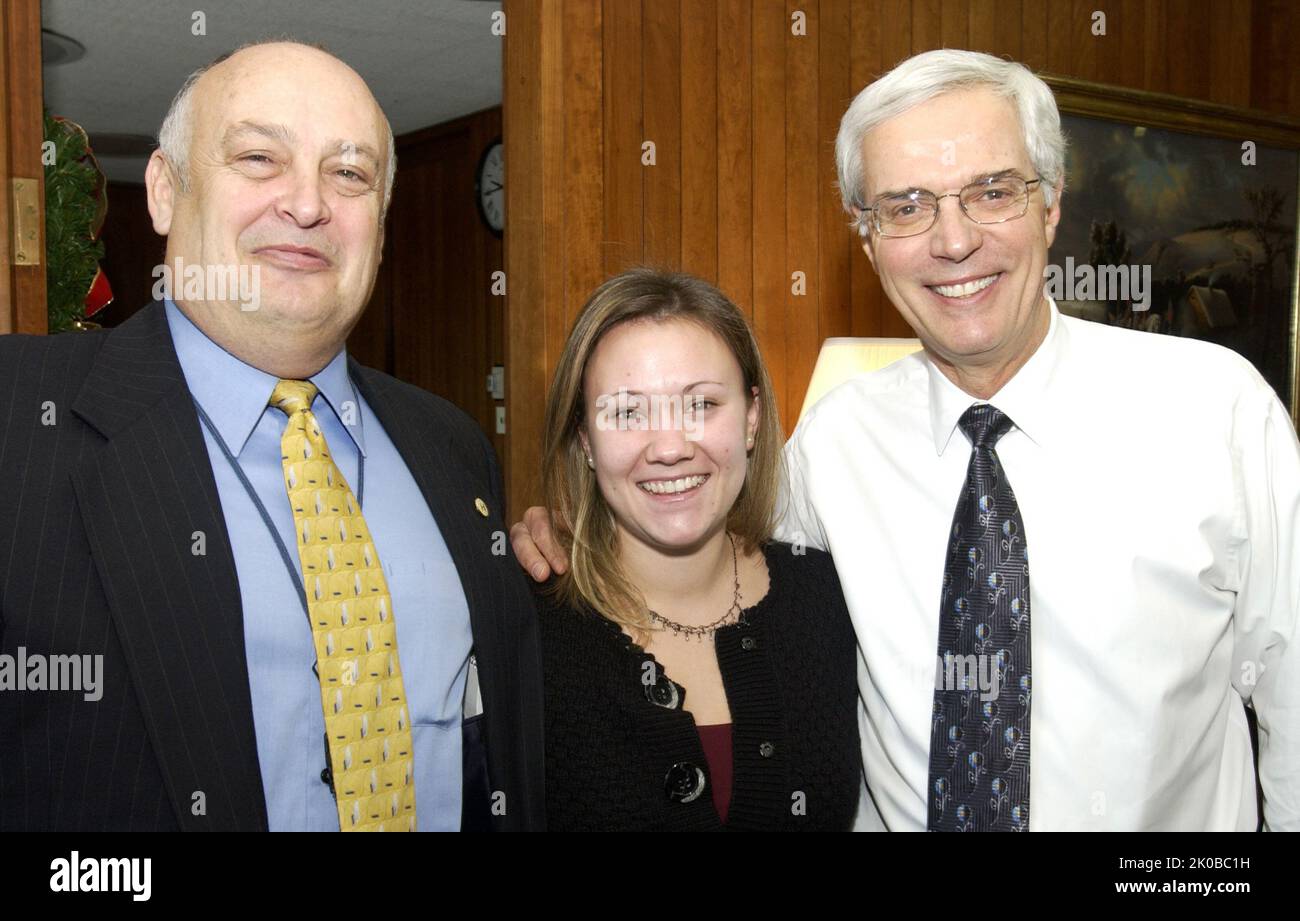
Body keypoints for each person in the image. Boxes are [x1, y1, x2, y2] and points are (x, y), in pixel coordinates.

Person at [513, 49, 1300, 831]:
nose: (952, 241)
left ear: (1053, 200)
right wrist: (569, 531)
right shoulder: (833, 445)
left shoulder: (1218, 413)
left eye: (992, 191)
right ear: (868, 237)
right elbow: (705, 539)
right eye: (906, 205)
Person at [0, 40, 543, 831]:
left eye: (350, 174)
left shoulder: (450, 447)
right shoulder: (18, 419)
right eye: (259, 157)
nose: (307, 203)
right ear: (162, 190)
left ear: (381, 229)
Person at [535, 268, 860, 831]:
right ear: (585, 440)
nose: (669, 448)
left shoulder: (833, 600)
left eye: (701, 405)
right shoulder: (526, 630)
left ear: (752, 418)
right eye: (628, 412)